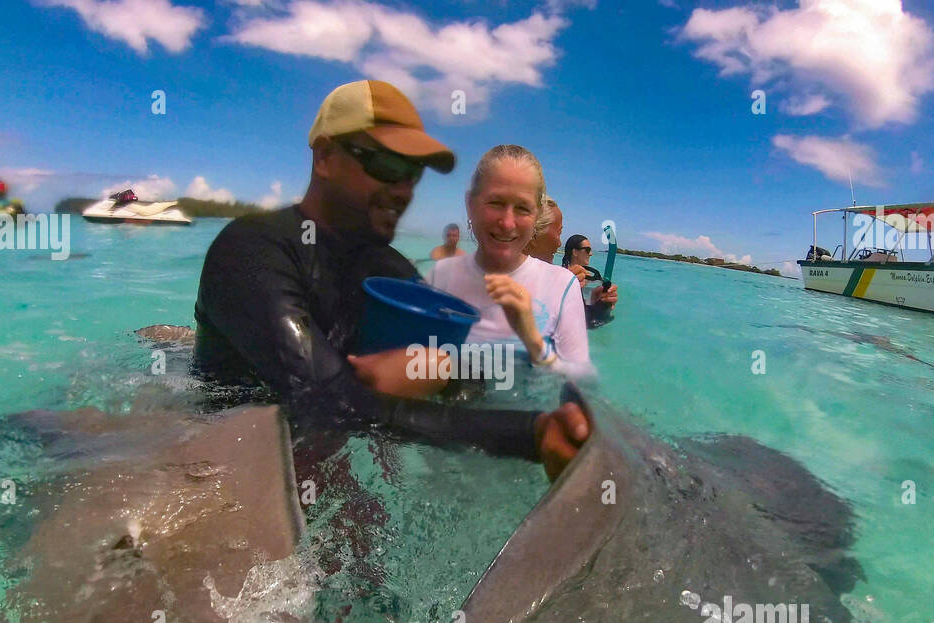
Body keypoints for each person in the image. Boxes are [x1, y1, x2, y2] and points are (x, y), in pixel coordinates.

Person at [192, 81, 589, 479]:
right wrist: (530, 434)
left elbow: (468, 378)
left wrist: (443, 372)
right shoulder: (250, 250)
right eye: (387, 166)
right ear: (327, 156)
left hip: (320, 457)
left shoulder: (387, 270)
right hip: (215, 463)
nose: (401, 190)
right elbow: (328, 399)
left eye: (411, 172)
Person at [427, 145, 593, 379]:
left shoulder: (561, 284)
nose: (507, 223)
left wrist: (533, 340)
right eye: (495, 202)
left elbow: (584, 382)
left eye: (523, 208)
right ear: (471, 204)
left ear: (536, 216)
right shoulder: (440, 275)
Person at [561, 233, 618, 326]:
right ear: (575, 252)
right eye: (588, 250)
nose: (591, 254)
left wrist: (604, 302)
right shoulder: (559, 278)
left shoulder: (593, 279)